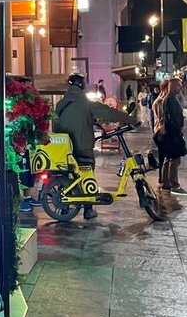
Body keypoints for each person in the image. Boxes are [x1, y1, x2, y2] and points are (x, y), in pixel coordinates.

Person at [54, 73, 134, 220]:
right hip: (82, 145)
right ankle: (88, 209)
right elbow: (108, 112)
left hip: (63, 146)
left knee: (67, 173)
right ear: (82, 86)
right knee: (87, 174)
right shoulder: (86, 103)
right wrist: (130, 119)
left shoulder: (61, 104)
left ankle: (64, 208)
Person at [158, 78, 187, 194]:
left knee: (169, 158)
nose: (180, 88)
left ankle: (166, 183)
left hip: (170, 133)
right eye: (179, 86)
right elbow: (174, 117)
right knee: (175, 159)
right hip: (173, 133)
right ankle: (174, 184)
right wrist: (178, 130)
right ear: (174, 86)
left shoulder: (169, 98)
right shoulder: (171, 99)